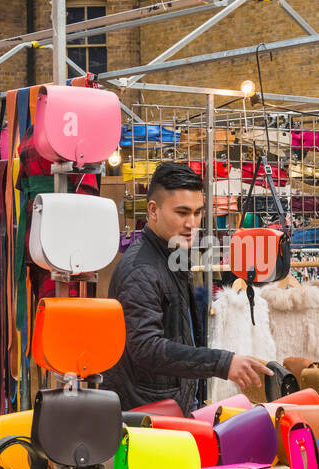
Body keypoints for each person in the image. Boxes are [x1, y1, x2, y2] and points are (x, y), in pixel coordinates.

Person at [104, 162, 270, 413]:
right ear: (153, 210)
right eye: (182, 213)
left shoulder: (173, 255)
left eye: (198, 212)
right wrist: (221, 363)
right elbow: (146, 347)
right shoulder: (141, 270)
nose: (192, 223)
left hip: (167, 407)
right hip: (146, 417)